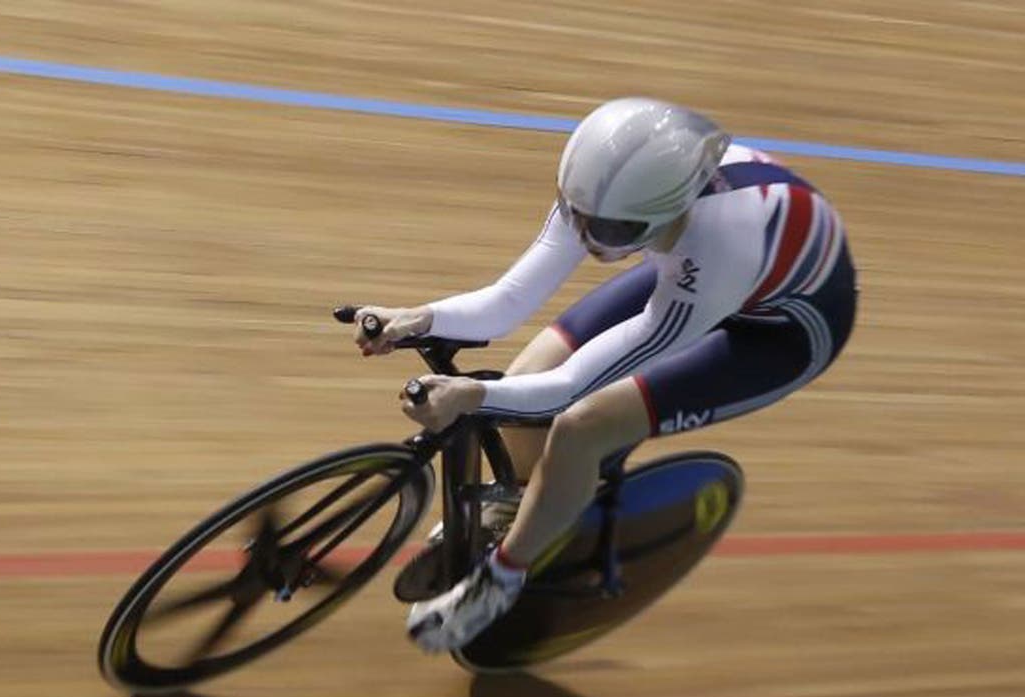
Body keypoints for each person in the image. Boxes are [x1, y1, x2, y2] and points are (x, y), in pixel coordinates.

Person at [351, 97, 857, 654]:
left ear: (665, 211)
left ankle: (500, 582)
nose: (589, 237)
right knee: (531, 368)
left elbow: (572, 390)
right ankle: (520, 505)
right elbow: (510, 300)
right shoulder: (603, 192)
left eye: (611, 230)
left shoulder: (718, 247)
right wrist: (420, 317)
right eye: (577, 216)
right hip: (693, 267)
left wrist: (474, 394)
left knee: (582, 426)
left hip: (780, 333)